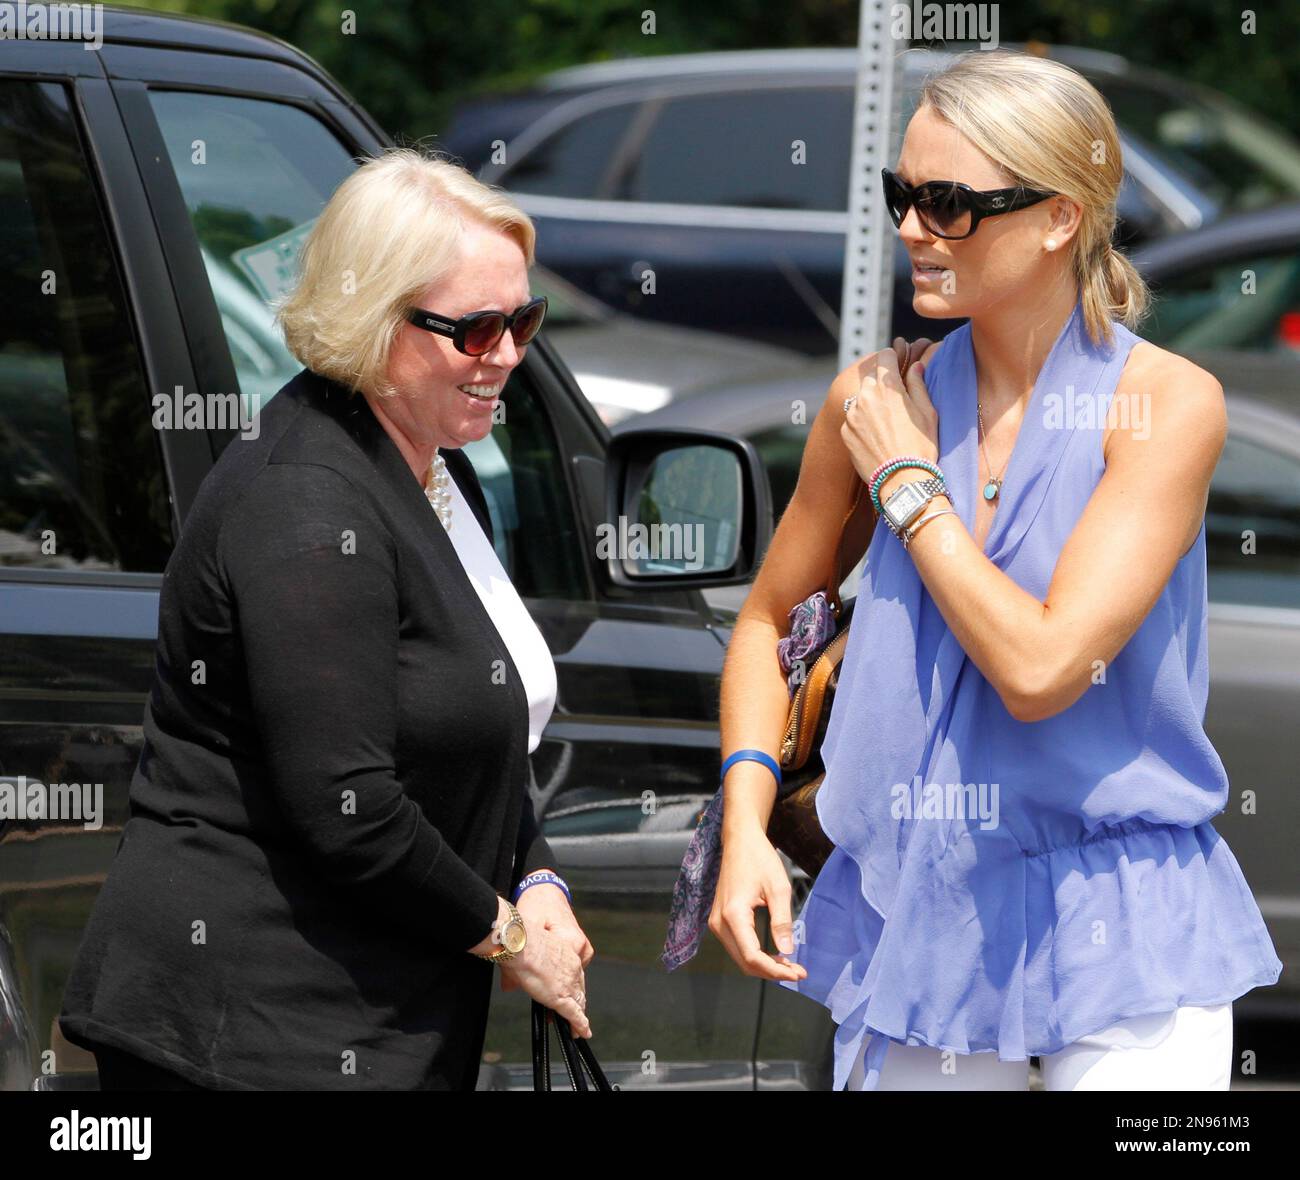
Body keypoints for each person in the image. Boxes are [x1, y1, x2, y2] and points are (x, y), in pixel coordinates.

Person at [707, 49, 1282, 1091]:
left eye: (947, 203)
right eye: (901, 196)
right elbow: (764, 622)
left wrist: (909, 485)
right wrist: (744, 822)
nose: (911, 229)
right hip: (914, 915)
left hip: (1127, 926)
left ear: (1059, 216)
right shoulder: (872, 399)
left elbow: (1041, 667)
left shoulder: (1161, 403)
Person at [58, 148, 594, 1090]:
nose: (508, 353)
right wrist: (511, 937)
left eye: (523, 319)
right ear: (375, 316)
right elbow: (349, 810)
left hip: (369, 1020)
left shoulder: (432, 464)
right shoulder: (310, 505)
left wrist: (538, 878)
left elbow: (469, 732)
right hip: (250, 1034)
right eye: (475, 329)